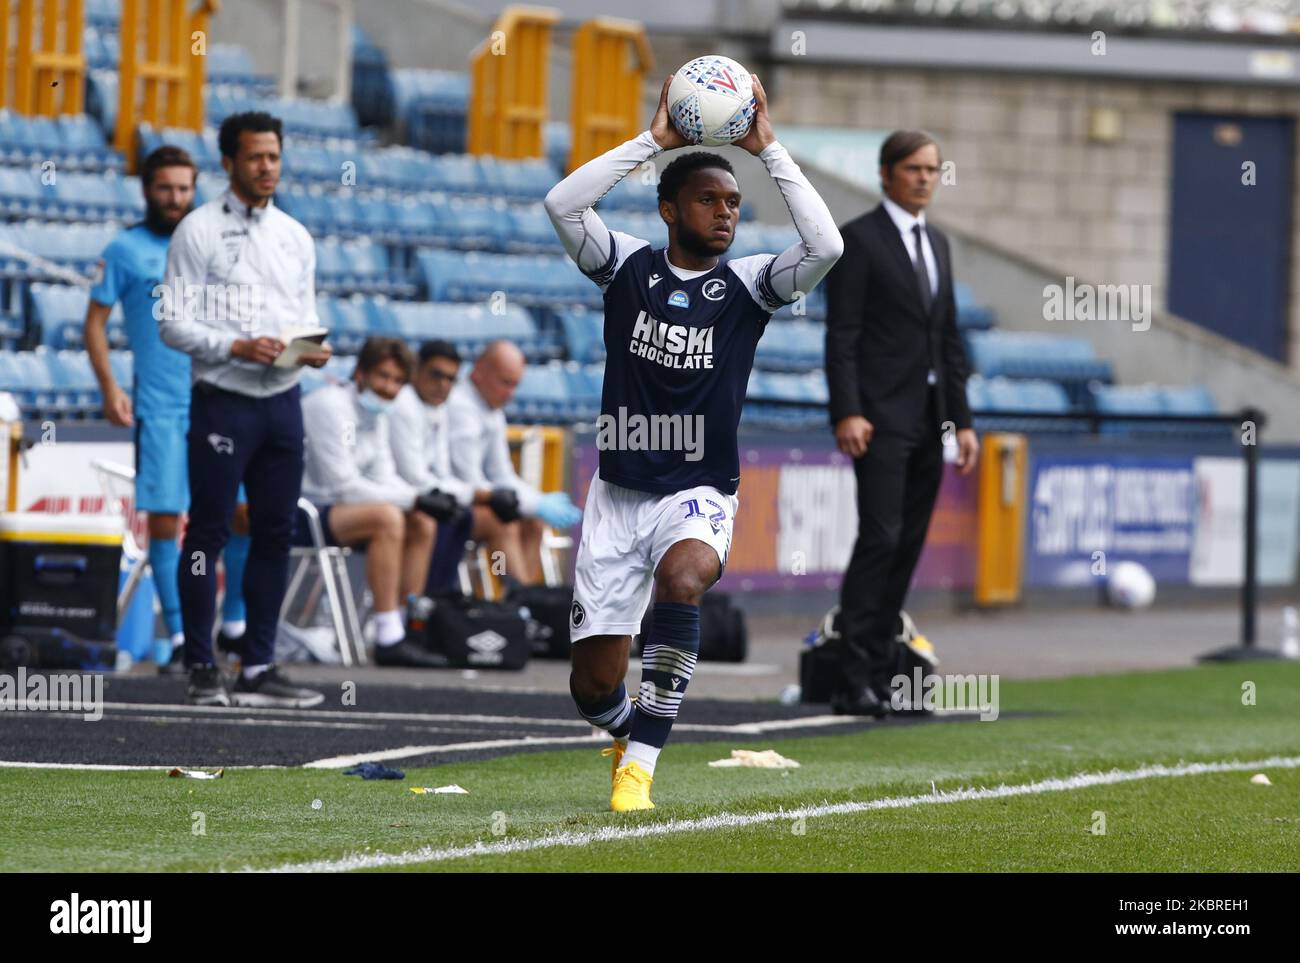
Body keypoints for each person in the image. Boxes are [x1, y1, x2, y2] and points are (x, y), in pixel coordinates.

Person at [544, 74, 842, 810]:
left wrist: (767, 149)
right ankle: (626, 731)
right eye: (710, 200)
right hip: (618, 496)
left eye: (734, 203)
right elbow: (562, 203)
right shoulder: (624, 267)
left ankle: (639, 766)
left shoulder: (748, 287)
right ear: (669, 208)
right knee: (591, 687)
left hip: (699, 491)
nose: (726, 214)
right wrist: (654, 141)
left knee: (684, 582)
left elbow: (827, 243)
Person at [159, 111, 331, 707]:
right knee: (206, 533)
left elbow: (303, 317)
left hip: (282, 401)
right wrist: (232, 345)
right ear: (229, 162)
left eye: (274, 157)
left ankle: (259, 666)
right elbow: (172, 324)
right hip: (222, 403)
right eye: (256, 157)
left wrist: (309, 349)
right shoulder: (196, 231)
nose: (267, 167)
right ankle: (201, 665)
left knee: (276, 534)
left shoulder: (295, 236)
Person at [823, 130, 979, 717]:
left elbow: (947, 339)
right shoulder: (858, 240)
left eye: (933, 169)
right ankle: (853, 674)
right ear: (886, 173)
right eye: (913, 168)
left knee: (908, 543)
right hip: (879, 419)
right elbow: (843, 336)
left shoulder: (937, 243)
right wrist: (848, 409)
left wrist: (962, 422)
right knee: (880, 537)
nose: (924, 178)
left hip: (930, 421)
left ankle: (888, 673)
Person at [84, 145, 251, 674]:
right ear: (147, 190)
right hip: (159, 408)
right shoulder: (125, 249)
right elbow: (94, 323)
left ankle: (236, 629)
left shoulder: (210, 243)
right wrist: (110, 386)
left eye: (184, 188)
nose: (176, 198)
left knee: (244, 516)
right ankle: (179, 636)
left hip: (220, 402)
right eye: (166, 188)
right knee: (165, 521)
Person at [300, 336, 455, 668]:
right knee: (389, 518)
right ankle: (387, 637)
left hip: (344, 509)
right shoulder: (329, 406)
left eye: (398, 381)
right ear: (360, 373)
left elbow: (385, 476)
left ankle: (406, 625)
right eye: (383, 377)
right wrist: (414, 498)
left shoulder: (378, 414)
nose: (389, 388)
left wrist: (426, 499)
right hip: (308, 510)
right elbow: (341, 486)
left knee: (422, 521)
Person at [444, 341, 582, 587]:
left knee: (534, 520)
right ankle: (515, 598)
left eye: (515, 385)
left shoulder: (491, 408)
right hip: (452, 502)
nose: (510, 393)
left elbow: (502, 474)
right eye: (505, 382)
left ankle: (526, 598)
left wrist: (536, 501)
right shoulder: (460, 408)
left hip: (474, 499)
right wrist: (534, 503)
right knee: (503, 519)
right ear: (480, 372)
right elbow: (471, 481)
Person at [388, 340, 478, 594]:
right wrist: (476, 495)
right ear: (416, 369)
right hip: (396, 494)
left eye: (451, 379)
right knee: (432, 518)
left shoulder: (438, 408)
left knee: (461, 514)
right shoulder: (403, 405)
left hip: (418, 493)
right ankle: (415, 610)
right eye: (436, 375)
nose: (443, 385)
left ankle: (439, 599)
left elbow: (441, 471)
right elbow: (413, 475)